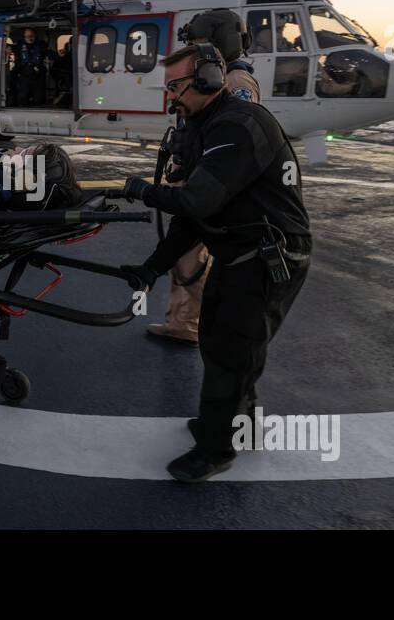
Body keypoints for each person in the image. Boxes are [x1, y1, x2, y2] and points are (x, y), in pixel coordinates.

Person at [120, 44, 311, 483]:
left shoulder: (239, 125)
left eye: (177, 86)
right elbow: (195, 217)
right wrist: (152, 267)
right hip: (239, 251)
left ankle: (215, 450)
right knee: (220, 343)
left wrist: (142, 191)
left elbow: (196, 199)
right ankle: (236, 427)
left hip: (269, 257)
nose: (172, 97)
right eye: (167, 87)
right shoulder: (206, 124)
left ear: (207, 78)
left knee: (233, 352)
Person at [148, 11, 260, 345]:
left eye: (200, 45)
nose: (197, 53)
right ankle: (182, 322)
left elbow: (233, 139)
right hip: (200, 181)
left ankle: (203, 324)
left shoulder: (236, 84)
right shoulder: (221, 78)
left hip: (210, 187)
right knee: (186, 258)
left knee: (191, 260)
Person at [10, 29, 50, 107]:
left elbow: (50, 53)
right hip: (24, 77)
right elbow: (9, 47)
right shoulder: (19, 46)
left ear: (35, 36)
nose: (30, 38)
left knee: (39, 98)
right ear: (24, 37)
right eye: (28, 36)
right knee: (22, 97)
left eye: (32, 36)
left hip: (38, 77)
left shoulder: (41, 46)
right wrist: (8, 48)